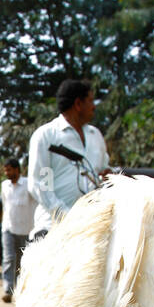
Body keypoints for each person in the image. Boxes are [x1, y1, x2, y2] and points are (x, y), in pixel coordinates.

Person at [26, 78, 112, 240]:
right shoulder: (47, 136)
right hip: (54, 228)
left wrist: (110, 176)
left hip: (92, 228)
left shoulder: (95, 135)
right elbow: (41, 184)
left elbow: (103, 170)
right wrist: (66, 217)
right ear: (78, 104)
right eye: (90, 101)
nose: (94, 107)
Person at [0, 157, 34, 303]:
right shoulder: (4, 186)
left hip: (26, 229)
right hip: (8, 228)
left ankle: (20, 290)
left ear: (17, 169)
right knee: (9, 258)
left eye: (9, 170)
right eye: (5, 170)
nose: (7, 173)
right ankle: (7, 289)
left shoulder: (28, 184)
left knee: (22, 262)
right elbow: (5, 205)